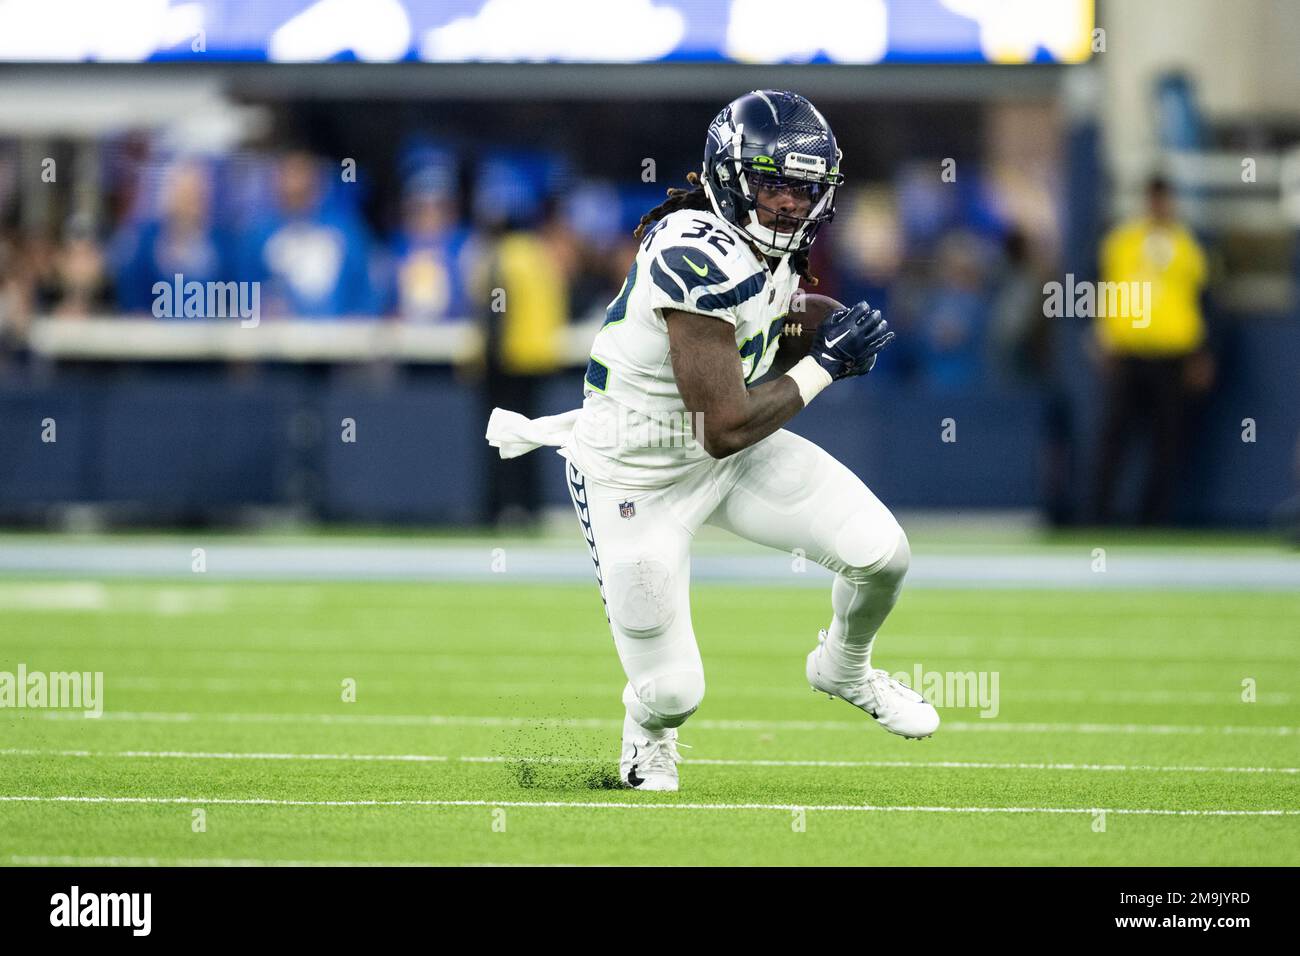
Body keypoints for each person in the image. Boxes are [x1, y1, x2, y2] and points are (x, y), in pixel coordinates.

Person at [485, 90, 937, 792]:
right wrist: (826, 364)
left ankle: (843, 666)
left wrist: (817, 327)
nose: (791, 203)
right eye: (776, 183)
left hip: (723, 451)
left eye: (805, 188)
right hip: (636, 476)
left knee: (882, 555)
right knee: (674, 692)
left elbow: (754, 345)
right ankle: (647, 732)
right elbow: (722, 426)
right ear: (730, 176)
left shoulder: (769, 246)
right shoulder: (694, 252)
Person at [1092, 174, 1211, 524]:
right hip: (1129, 352)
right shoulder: (1122, 242)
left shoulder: (1188, 245)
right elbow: (1100, 289)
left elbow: (1204, 299)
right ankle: (1100, 514)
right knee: (1114, 437)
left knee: (1168, 440)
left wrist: (1201, 353)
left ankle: (1154, 518)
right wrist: (1103, 338)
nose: (1159, 206)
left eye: (1164, 199)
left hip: (1173, 354)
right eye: (1154, 199)